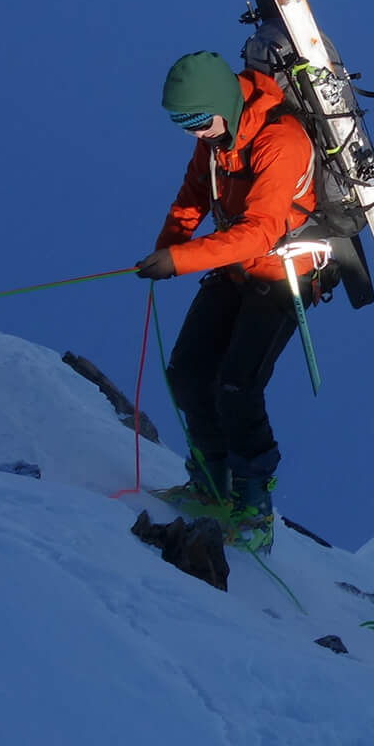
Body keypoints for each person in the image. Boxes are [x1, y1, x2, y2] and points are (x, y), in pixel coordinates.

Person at [135, 49, 322, 551]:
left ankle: (254, 508)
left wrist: (179, 260)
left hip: (284, 275)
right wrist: (165, 250)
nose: (194, 132)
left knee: (237, 386)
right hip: (234, 265)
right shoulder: (218, 140)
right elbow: (193, 197)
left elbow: (261, 231)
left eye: (198, 119)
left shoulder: (282, 142)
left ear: (221, 103)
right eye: (182, 123)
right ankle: (210, 484)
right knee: (188, 373)